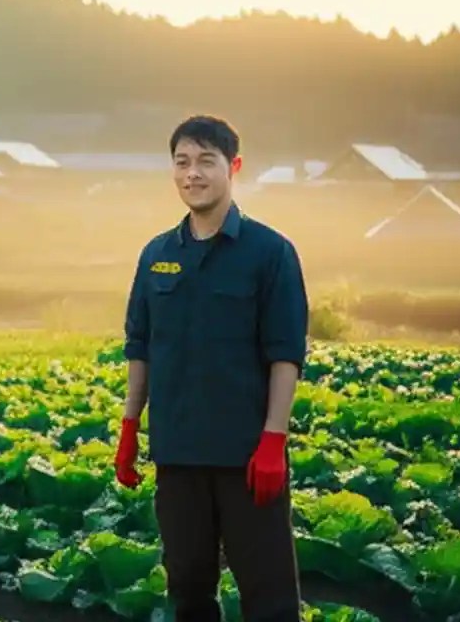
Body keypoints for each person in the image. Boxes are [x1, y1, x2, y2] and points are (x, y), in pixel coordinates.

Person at [114, 115, 309, 622]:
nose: (192, 174)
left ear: (233, 167)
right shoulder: (157, 255)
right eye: (182, 162)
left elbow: (285, 353)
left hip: (246, 458)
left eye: (206, 161)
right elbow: (141, 347)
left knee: (270, 600)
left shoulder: (270, 253)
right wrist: (131, 426)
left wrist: (273, 440)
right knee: (190, 593)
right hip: (178, 456)